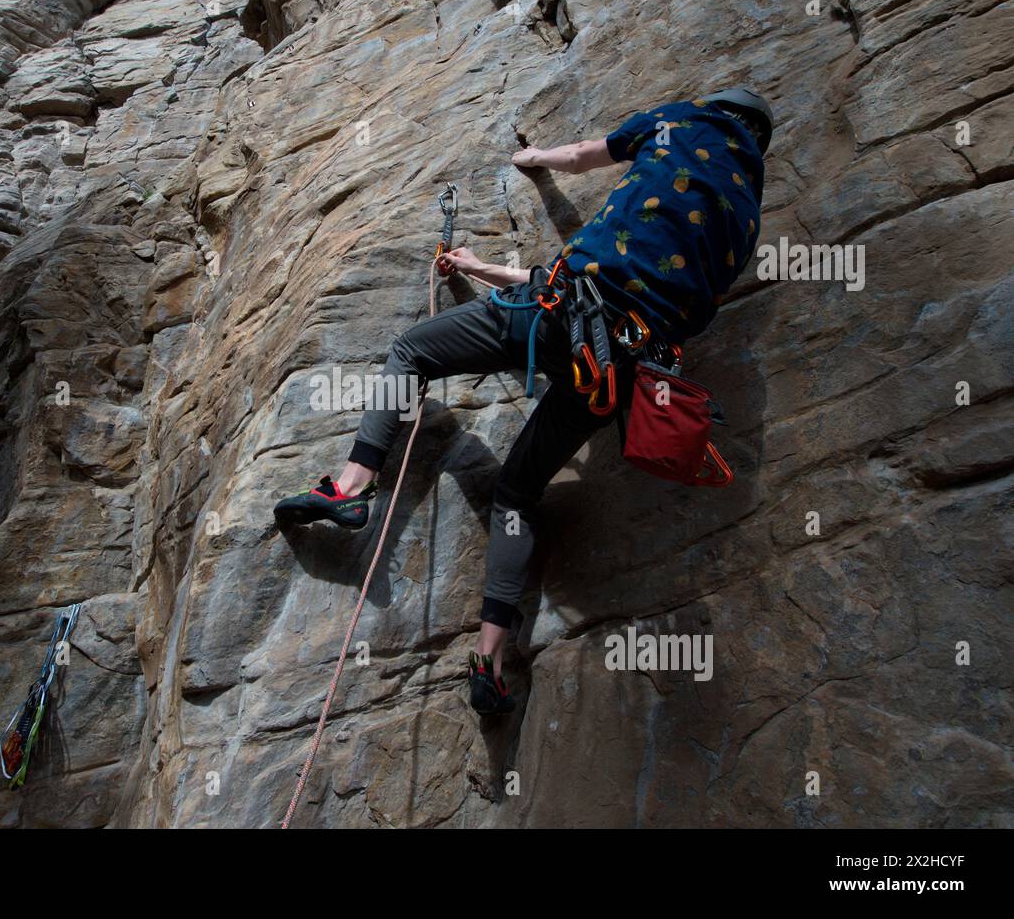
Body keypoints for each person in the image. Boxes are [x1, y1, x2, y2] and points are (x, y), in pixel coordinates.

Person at [274, 89, 773, 715]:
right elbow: (636, 295)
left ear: (719, 109)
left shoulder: (679, 120)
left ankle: (350, 489)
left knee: (411, 351)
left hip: (561, 315)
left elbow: (586, 160)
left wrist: (535, 156)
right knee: (516, 495)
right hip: (621, 371)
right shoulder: (746, 218)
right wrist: (481, 269)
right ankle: (491, 659)